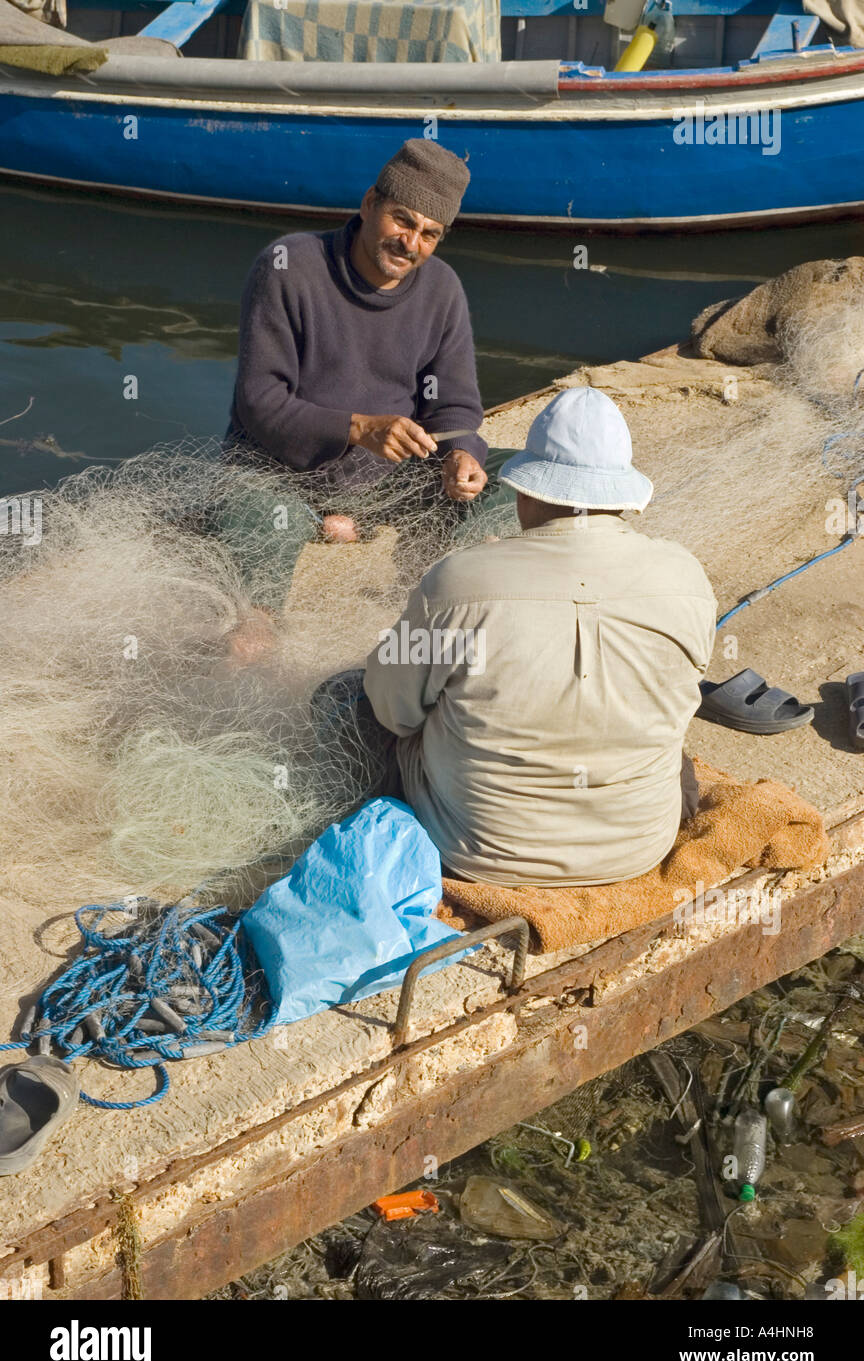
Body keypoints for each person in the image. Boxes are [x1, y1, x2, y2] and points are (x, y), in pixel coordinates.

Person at [362, 387, 717, 887]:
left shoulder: (456, 582)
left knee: (345, 697)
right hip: (639, 845)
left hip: (475, 852)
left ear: (527, 490)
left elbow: (392, 713)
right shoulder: (687, 577)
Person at [225, 137, 488, 544]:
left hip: (384, 481)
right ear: (369, 204)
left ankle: (352, 527)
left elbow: (453, 405)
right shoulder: (288, 264)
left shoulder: (443, 287)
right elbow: (260, 401)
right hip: (283, 475)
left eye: (429, 234)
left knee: (519, 482)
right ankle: (317, 524)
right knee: (258, 518)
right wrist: (360, 428)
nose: (410, 243)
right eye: (402, 220)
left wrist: (463, 454)